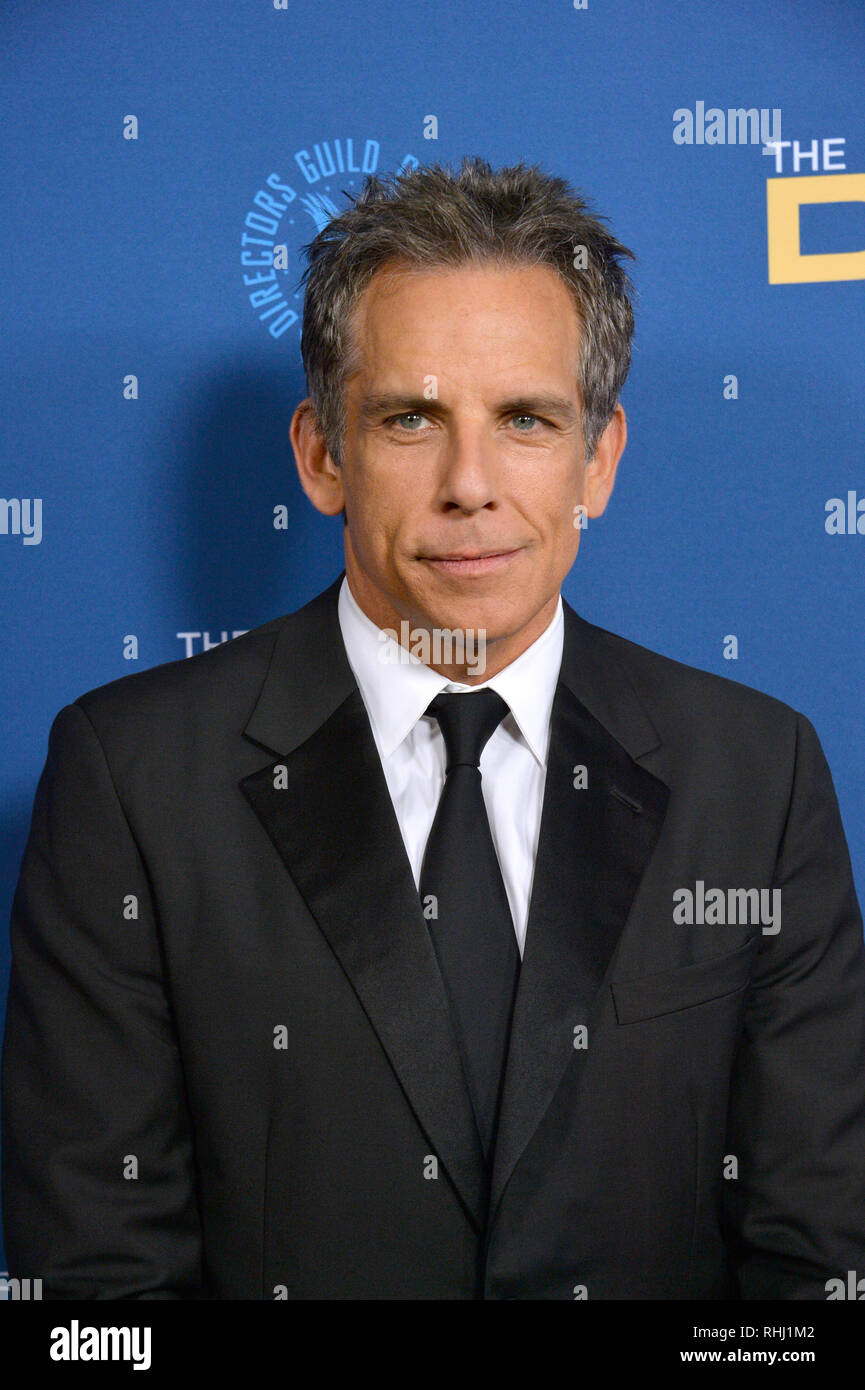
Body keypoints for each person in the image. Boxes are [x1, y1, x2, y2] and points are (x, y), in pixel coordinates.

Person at [3, 158, 865, 1300]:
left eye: (524, 418)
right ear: (322, 455)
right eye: (410, 418)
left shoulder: (756, 774)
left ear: (595, 460)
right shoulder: (131, 778)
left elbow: (816, 1257)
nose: (471, 482)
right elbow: (97, 1289)